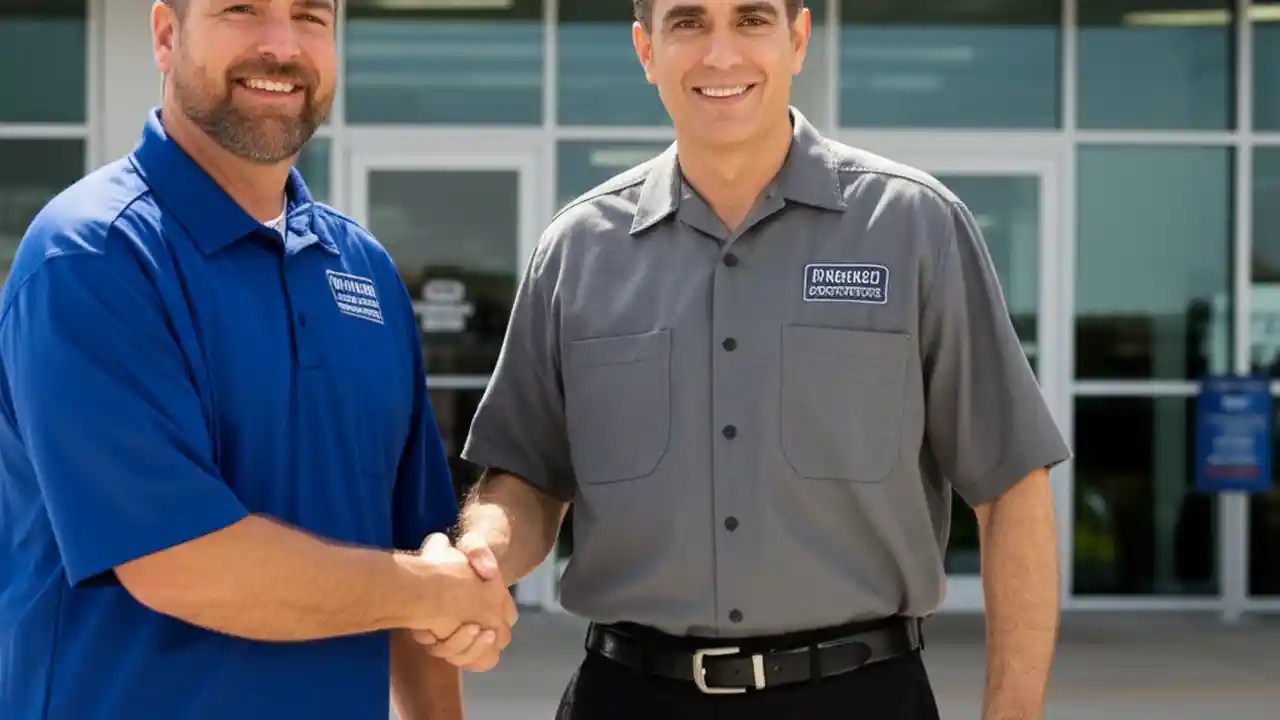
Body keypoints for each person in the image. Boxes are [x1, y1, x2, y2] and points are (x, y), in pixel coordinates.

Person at [435, 1, 1071, 718]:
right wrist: (480, 556)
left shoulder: (915, 227)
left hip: (860, 698)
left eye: (751, 20)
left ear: (797, 39)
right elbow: (525, 478)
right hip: (628, 697)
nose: (720, 55)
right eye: (688, 23)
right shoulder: (577, 251)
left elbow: (1010, 487)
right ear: (645, 51)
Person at [0, 2, 515, 719]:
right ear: (166, 36)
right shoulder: (94, 256)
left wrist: (443, 609)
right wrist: (434, 592)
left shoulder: (363, 272)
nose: (282, 46)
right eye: (241, 9)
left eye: (310, 16)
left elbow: (412, 542)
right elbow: (181, 562)